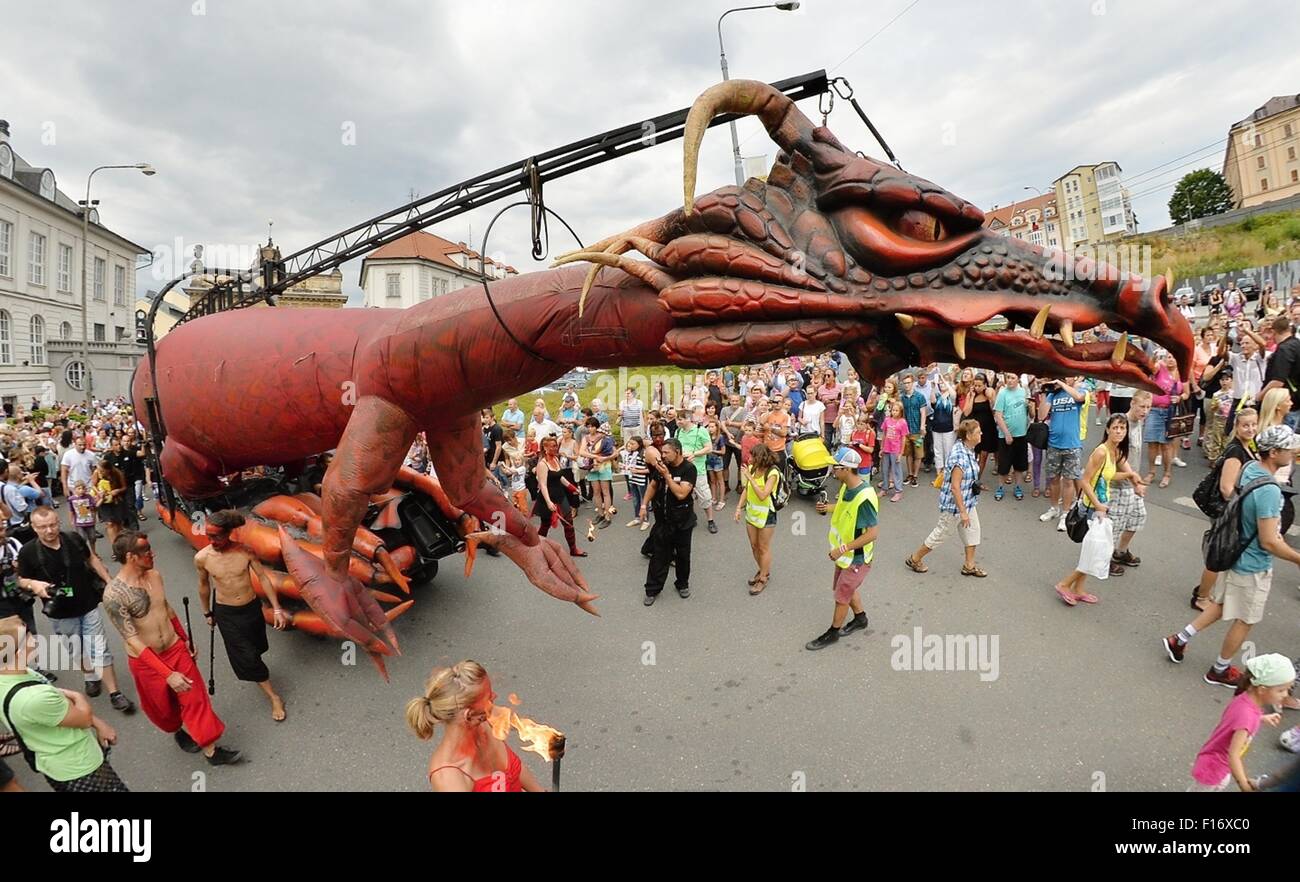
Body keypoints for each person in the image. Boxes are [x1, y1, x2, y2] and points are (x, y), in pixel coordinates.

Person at [1162, 425, 1300, 687]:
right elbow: (1269, 540)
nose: (1293, 451)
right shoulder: (1269, 490)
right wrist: (1297, 558)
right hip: (1252, 564)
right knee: (1246, 619)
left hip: (1234, 553)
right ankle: (1220, 669)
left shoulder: (1250, 469)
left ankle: (1179, 639)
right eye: (1288, 447)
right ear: (1273, 452)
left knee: (1221, 604)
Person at [102, 531, 242, 764]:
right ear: (131, 557)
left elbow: (165, 608)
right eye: (146, 550)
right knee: (164, 710)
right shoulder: (114, 596)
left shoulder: (154, 575)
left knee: (195, 698)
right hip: (148, 663)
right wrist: (167, 675)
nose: (152, 553)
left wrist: (184, 638)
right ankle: (177, 730)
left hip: (175, 649)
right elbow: (132, 640)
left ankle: (211, 750)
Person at [17, 507, 134, 713]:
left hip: (88, 604)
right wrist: (34, 584)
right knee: (76, 649)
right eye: (43, 527)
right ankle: (90, 676)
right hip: (60, 613)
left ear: (59, 523)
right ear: (34, 528)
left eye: (53, 525)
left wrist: (109, 581)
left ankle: (115, 693)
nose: (49, 530)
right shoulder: (27, 552)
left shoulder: (73, 539)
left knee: (99, 648)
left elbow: (91, 559)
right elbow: (21, 579)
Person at [0, 615, 126, 792]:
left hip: (55, 764)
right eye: (27, 634)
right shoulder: (33, 698)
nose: (34, 637)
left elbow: (56, 699)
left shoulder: (15, 674)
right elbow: (83, 717)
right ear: (17, 652)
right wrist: (77, 696)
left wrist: (97, 723)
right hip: (78, 767)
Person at [194, 511, 289, 722]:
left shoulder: (245, 552)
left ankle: (257, 667)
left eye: (217, 536)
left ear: (229, 533)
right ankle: (273, 697)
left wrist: (276, 608)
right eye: (209, 536)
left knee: (258, 648)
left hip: (251, 609)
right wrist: (207, 612)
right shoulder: (202, 558)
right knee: (247, 657)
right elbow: (203, 586)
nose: (212, 541)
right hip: (226, 614)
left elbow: (263, 578)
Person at [406, 660, 545, 792]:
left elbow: (516, 770)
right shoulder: (449, 777)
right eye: (489, 698)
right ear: (469, 716)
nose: (495, 697)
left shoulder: (485, 723)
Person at [1052, 414, 1143, 605]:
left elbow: (1109, 476)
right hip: (1092, 509)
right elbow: (1084, 480)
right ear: (1107, 429)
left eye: (1122, 428)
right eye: (1115, 428)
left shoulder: (1114, 451)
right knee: (1096, 552)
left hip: (1100, 509)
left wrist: (1129, 474)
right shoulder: (1101, 452)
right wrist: (1098, 504)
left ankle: (1078, 588)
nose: (1119, 431)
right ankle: (1064, 584)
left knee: (1094, 551)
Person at [1188, 654, 1294, 792]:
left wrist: (1262, 718)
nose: (1285, 695)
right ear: (1262, 690)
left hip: (1217, 763)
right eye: (1281, 690)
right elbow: (1234, 755)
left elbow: (1237, 722)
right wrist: (1244, 784)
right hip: (1214, 767)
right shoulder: (1247, 717)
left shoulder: (1245, 701)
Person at [805, 448, 877, 651]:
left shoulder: (865, 498)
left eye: (835, 467)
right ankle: (861, 619)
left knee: (841, 596)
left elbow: (872, 533)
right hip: (845, 555)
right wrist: (828, 508)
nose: (832, 470)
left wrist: (842, 548)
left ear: (846, 469)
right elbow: (845, 509)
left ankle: (832, 633)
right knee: (844, 589)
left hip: (856, 557)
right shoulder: (847, 486)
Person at [905, 419, 986, 578]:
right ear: (969, 436)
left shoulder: (967, 448)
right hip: (955, 506)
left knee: (973, 531)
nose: (981, 434)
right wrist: (962, 512)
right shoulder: (959, 457)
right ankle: (915, 559)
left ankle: (969, 565)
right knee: (941, 533)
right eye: (978, 432)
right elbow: (955, 487)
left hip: (968, 502)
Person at [641, 439, 697, 606]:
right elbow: (652, 485)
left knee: (683, 556)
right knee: (659, 556)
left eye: (666, 453)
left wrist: (667, 476)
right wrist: (644, 505)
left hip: (682, 522)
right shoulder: (661, 466)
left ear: (677, 451)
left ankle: (682, 584)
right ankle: (652, 589)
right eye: (662, 452)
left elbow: (681, 494)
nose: (662, 455)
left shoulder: (688, 469)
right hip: (663, 521)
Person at [1110, 392, 1153, 574]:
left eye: (1148, 407)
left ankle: (1121, 551)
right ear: (1132, 403)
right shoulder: (1122, 424)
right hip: (1119, 485)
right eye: (1141, 407)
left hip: (1133, 482)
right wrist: (1132, 477)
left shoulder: (1139, 423)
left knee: (1137, 518)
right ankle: (1106, 558)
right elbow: (1117, 454)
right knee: (1115, 525)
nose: (1145, 411)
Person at [1038, 377, 1086, 532]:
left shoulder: (1079, 390)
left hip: (1072, 445)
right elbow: (1041, 415)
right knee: (1053, 479)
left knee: (1069, 481)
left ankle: (1065, 513)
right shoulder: (1054, 394)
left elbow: (1080, 398)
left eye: (1068, 377)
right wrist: (1045, 392)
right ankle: (1054, 508)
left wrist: (1063, 385)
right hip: (1054, 444)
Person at [734, 444, 780, 596]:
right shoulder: (753, 469)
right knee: (754, 546)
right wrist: (738, 508)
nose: (749, 458)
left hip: (767, 515)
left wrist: (748, 477)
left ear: (760, 458)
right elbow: (747, 490)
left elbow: (763, 495)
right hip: (751, 513)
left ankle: (763, 578)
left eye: (752, 456)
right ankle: (763, 570)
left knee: (763, 547)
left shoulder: (772, 473)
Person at [533, 436, 585, 557]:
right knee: (545, 525)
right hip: (547, 498)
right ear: (545, 448)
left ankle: (573, 549)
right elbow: (543, 485)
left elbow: (560, 477)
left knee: (569, 524)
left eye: (556, 445)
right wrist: (548, 502)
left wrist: (572, 487)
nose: (556, 448)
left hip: (560, 496)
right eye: (553, 446)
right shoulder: (542, 464)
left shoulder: (556, 459)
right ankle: (537, 548)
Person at [676, 407, 717, 534]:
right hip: (682, 469)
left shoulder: (701, 431)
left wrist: (695, 454)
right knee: (685, 496)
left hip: (698, 470)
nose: (678, 421)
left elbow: (709, 448)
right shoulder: (678, 432)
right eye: (678, 419)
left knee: (704, 496)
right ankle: (690, 518)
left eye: (680, 419)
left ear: (688, 419)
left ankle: (710, 521)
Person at [992, 372, 1030, 501]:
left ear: (1018, 379)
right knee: (1004, 465)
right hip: (1006, 436)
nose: (1009, 380)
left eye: (1013, 378)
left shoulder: (1023, 391)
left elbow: (1029, 412)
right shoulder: (1003, 393)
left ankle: (1018, 487)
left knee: (1019, 465)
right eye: (1008, 377)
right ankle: (1000, 487)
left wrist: (1030, 406)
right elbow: (998, 415)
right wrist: (1007, 433)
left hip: (1021, 434)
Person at [1259, 315, 1300, 431]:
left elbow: (1278, 381)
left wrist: (1260, 396)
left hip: (1288, 404)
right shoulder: (1297, 343)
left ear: (1274, 331)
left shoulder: (1284, 349)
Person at [59, 437, 98, 530]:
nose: (82, 447)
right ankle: (77, 528)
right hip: (74, 486)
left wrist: (95, 485)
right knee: (75, 507)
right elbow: (64, 470)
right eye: (80, 445)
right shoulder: (68, 454)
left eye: (84, 444)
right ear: (74, 444)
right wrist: (65, 487)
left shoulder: (91, 455)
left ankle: (92, 527)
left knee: (91, 507)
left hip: (88, 485)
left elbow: (94, 471)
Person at [898, 373, 928, 486]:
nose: (906, 385)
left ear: (912, 383)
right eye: (905, 383)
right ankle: (910, 474)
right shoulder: (902, 398)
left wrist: (922, 426)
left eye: (908, 383)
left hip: (917, 430)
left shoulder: (919, 396)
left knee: (918, 454)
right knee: (908, 453)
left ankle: (915, 475)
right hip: (906, 430)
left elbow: (923, 412)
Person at [879, 400, 908, 501]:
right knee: (885, 469)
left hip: (895, 449)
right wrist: (882, 448)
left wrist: (901, 453)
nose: (894, 412)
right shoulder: (887, 420)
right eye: (893, 410)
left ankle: (898, 491)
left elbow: (904, 438)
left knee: (896, 471)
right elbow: (884, 434)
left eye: (896, 410)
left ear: (900, 411)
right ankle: (884, 488)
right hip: (886, 448)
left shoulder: (903, 422)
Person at [622, 436, 649, 528]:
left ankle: (645, 520)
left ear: (639, 444)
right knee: (635, 500)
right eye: (629, 443)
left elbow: (649, 469)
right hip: (632, 479)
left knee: (644, 500)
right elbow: (629, 465)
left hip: (641, 481)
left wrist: (638, 471)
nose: (630, 445)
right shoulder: (629, 453)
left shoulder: (644, 453)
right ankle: (637, 518)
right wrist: (624, 467)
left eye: (633, 444)